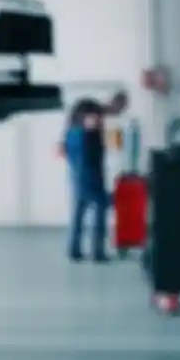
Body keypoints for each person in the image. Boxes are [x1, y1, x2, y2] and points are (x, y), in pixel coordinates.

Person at [63, 97, 110, 263]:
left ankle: (74, 250)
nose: (99, 120)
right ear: (85, 116)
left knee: (78, 215)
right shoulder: (87, 136)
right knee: (99, 215)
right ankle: (97, 252)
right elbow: (90, 160)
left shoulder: (71, 132)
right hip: (90, 178)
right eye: (96, 117)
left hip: (77, 177)